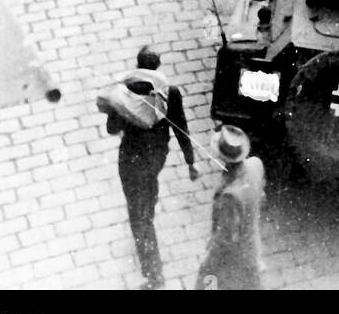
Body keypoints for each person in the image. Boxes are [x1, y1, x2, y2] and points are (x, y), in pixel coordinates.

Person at [105, 46, 198, 290]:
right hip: (157, 156)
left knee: (138, 217)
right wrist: (190, 162)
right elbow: (181, 128)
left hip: (131, 160)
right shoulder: (171, 92)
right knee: (149, 189)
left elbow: (111, 129)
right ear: (157, 67)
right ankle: (149, 210)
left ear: (137, 66)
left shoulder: (123, 92)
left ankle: (155, 276)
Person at [194, 124, 265, 291]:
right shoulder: (256, 164)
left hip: (233, 262)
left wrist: (207, 263)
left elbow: (224, 239)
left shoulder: (230, 196)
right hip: (252, 249)